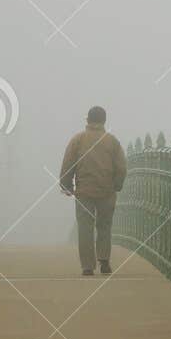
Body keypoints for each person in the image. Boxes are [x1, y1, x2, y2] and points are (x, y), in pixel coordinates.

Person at [60, 106, 127, 277]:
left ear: (87, 120)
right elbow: (121, 167)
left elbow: (68, 164)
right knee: (104, 226)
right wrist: (117, 185)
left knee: (85, 228)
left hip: (84, 192)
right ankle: (104, 261)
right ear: (104, 121)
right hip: (107, 191)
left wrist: (66, 186)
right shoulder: (112, 141)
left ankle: (87, 266)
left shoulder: (78, 140)